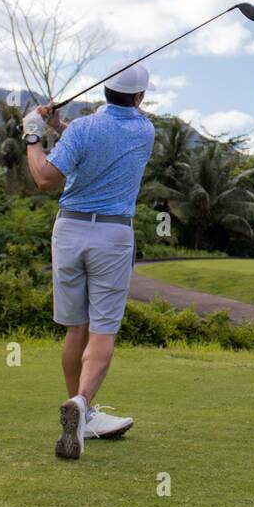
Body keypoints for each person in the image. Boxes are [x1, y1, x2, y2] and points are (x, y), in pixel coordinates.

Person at [21, 63, 155, 459]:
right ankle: (82, 406)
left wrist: (33, 134)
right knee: (103, 331)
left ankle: (81, 410)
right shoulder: (144, 131)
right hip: (113, 235)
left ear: (104, 92)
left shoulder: (82, 130)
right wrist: (55, 128)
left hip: (70, 231)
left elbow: (45, 177)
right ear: (139, 98)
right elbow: (104, 146)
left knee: (75, 329)